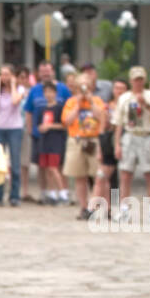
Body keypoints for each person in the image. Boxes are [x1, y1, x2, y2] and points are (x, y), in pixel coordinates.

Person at [113, 67, 150, 218]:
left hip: (146, 136)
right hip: (130, 135)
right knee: (125, 174)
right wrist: (117, 144)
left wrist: (147, 105)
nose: (138, 82)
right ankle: (125, 209)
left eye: (141, 79)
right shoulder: (124, 98)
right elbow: (118, 123)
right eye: (135, 80)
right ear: (131, 81)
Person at [22, 61, 71, 203]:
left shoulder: (63, 89)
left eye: (48, 71)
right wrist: (30, 129)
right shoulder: (35, 90)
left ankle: (63, 192)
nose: (45, 74)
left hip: (58, 136)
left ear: (53, 71)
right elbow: (29, 111)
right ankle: (46, 193)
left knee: (58, 165)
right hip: (39, 135)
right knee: (42, 165)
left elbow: (69, 109)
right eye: (42, 71)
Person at [60, 73, 107, 219]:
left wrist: (90, 101)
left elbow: (102, 117)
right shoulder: (71, 102)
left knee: (99, 176)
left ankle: (97, 206)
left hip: (93, 139)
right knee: (79, 177)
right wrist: (78, 104)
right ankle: (83, 207)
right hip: (77, 140)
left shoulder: (97, 101)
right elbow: (66, 121)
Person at [0, 64, 25, 206]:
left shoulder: (20, 89)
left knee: (15, 163)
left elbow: (16, 101)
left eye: (7, 74)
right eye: (2, 74)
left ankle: (14, 195)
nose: (4, 77)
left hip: (15, 128)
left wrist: (14, 84)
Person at [94, 78, 127, 211]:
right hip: (109, 142)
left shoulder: (130, 106)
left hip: (126, 140)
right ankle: (107, 207)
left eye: (122, 88)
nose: (118, 91)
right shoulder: (106, 107)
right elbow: (102, 129)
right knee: (107, 175)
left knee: (123, 176)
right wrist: (99, 149)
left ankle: (120, 206)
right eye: (116, 88)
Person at [35, 82, 68, 204]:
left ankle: (63, 192)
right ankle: (52, 193)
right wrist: (42, 128)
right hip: (44, 141)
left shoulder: (59, 107)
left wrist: (50, 126)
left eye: (51, 92)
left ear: (55, 93)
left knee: (54, 168)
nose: (48, 95)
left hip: (55, 141)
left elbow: (64, 125)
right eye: (46, 92)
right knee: (47, 169)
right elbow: (38, 125)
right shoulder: (42, 109)